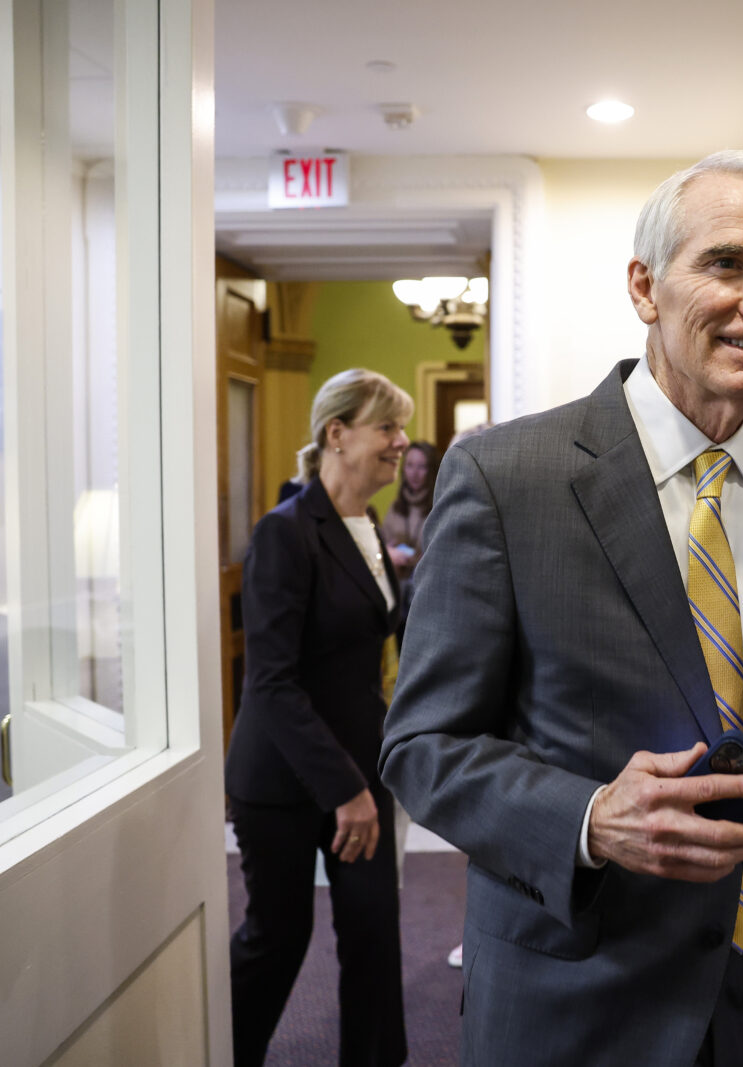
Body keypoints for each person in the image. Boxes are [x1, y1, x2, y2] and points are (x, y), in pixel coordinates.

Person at [381, 151, 743, 1066]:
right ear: (645, 288)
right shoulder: (506, 477)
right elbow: (421, 747)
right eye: (729, 262)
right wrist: (591, 816)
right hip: (578, 996)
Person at [225, 368, 413, 1067]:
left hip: (361, 765)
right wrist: (345, 790)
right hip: (282, 779)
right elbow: (272, 684)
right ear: (337, 433)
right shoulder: (283, 532)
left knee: (374, 933)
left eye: (401, 429)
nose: (402, 443)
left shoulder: (368, 527)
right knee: (278, 937)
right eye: (387, 427)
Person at [381, 440, 438, 585]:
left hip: (426, 584)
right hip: (396, 583)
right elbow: (382, 548)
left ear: (431, 471)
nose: (414, 473)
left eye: (422, 467)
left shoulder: (437, 508)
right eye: (409, 465)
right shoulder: (395, 508)